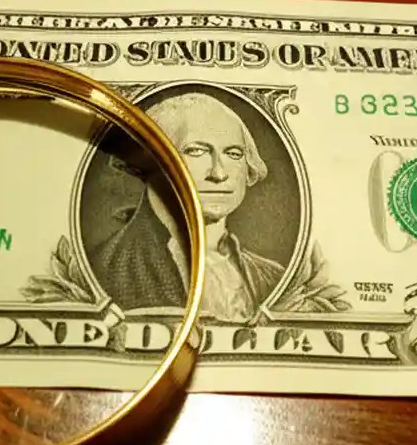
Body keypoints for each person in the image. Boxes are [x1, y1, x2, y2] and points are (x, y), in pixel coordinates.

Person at [90, 90, 284, 322]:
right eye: (197, 151)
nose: (219, 173)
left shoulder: (273, 278)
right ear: (150, 160)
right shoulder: (101, 272)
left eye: (234, 153)